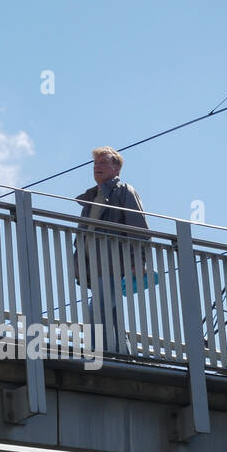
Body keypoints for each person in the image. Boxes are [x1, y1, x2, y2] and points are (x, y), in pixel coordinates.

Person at [73, 147, 149, 356]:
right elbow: (83, 235)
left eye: (103, 163)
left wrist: (138, 260)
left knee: (97, 311)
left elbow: (138, 227)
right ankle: (125, 356)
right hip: (95, 267)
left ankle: (100, 356)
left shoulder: (124, 191)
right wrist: (79, 265)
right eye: (95, 164)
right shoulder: (91, 197)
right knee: (111, 313)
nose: (97, 167)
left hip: (115, 264)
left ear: (117, 168)